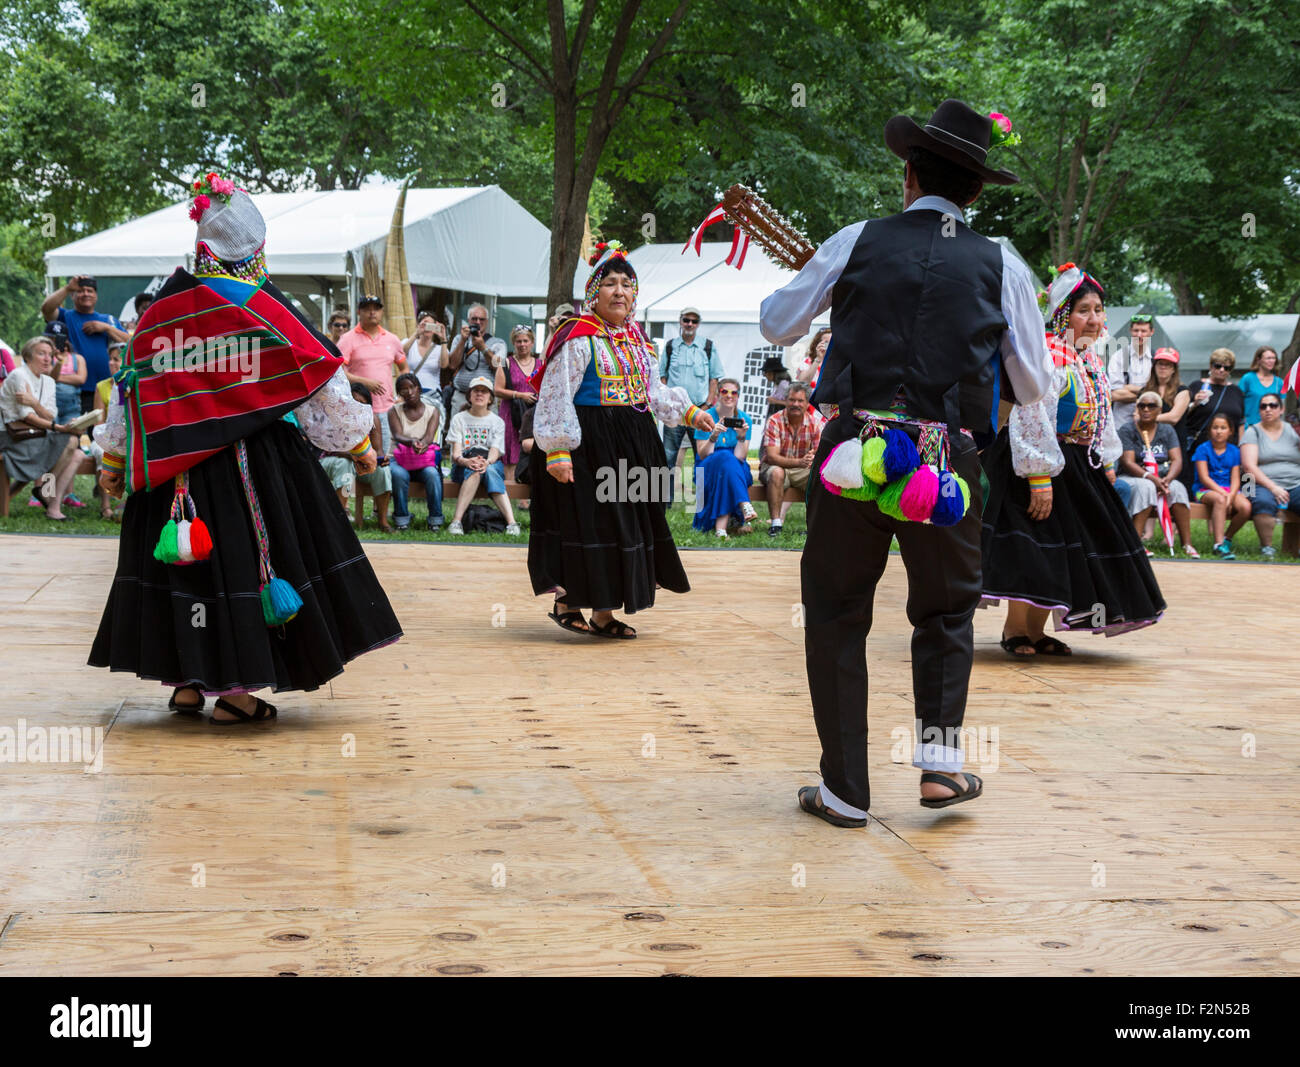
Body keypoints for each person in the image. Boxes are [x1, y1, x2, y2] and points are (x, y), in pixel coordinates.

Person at [761, 100, 1054, 824]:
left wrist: (839, 295)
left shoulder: (858, 239)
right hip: (946, 458)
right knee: (947, 609)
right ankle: (940, 769)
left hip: (852, 449)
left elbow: (775, 321)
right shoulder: (1002, 262)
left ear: (908, 173)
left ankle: (844, 791)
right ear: (977, 192)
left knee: (834, 609)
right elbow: (1035, 384)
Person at [90, 173, 401, 723]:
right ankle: (235, 695)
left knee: (183, 567)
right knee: (241, 564)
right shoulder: (267, 309)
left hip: (172, 470)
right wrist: (358, 443)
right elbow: (320, 381)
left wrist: (114, 459)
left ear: (202, 249)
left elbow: (130, 388)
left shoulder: (163, 310)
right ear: (255, 252)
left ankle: (188, 682)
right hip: (252, 463)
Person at [530, 240, 714, 637]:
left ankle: (603, 612)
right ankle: (567, 601)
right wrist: (559, 448)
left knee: (627, 525)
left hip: (634, 442)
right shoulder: (577, 337)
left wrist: (691, 413)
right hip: (590, 444)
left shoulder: (639, 341)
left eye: (627, 285)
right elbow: (556, 393)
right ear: (594, 294)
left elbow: (654, 392)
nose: (620, 291)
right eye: (610, 283)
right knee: (592, 524)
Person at [983, 267, 1166, 658]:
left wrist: (1108, 460)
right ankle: (1016, 629)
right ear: (1064, 315)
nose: (1096, 319)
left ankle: (1037, 630)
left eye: (1099, 310)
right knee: (1034, 546)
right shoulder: (1047, 354)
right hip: (1037, 461)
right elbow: (1029, 413)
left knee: (1063, 550)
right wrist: (1038, 475)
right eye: (1085, 310)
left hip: (1079, 465)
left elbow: (1099, 414)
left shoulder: (1088, 360)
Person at [0, 335, 81, 520]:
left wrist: (34, 404)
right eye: (41, 354)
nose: (47, 358)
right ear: (28, 357)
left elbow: (50, 414)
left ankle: (53, 506)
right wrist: (59, 428)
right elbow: (26, 416)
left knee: (78, 454)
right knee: (71, 440)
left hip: (35, 435)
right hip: (11, 438)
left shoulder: (49, 381)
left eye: (49, 354)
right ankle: (45, 491)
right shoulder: (18, 376)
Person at [1117, 390, 1196, 555]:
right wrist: (1152, 479)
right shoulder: (1127, 429)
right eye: (1142, 406)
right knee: (1146, 487)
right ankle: (1137, 543)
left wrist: (1167, 479)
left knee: (1178, 488)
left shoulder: (1167, 430)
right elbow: (1128, 462)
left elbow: (1177, 460)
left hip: (1163, 477)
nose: (1146, 409)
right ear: (1137, 409)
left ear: (1160, 410)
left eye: (1151, 406)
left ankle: (1187, 544)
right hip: (1134, 477)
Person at [660, 306, 724, 507]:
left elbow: (714, 378)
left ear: (698, 324)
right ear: (680, 321)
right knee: (668, 456)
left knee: (703, 457)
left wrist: (707, 405)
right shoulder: (670, 346)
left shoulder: (707, 346)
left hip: (700, 411)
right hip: (675, 413)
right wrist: (665, 405)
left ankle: (702, 500)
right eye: (686, 320)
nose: (689, 324)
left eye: (694, 321)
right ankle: (665, 501)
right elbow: (661, 378)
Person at [41, 274, 128, 413]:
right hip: (75, 391)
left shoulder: (107, 320)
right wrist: (68, 288)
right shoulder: (65, 316)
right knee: (75, 431)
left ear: (96, 295)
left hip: (106, 387)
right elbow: (46, 309)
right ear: (72, 296)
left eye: (90, 291)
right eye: (80, 291)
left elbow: (130, 342)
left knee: (101, 432)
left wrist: (106, 328)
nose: (85, 294)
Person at [446, 375, 518, 536]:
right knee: (475, 470)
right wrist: (466, 461)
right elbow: (456, 453)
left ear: (491, 398)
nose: (479, 394)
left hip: (489, 461)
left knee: (489, 470)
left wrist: (486, 462)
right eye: (476, 391)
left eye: (484, 392)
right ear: (469, 395)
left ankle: (512, 523)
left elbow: (495, 450)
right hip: (463, 463)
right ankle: (456, 522)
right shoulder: (459, 419)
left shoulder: (497, 421)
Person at [319, 381, 393, 530]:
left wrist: (381, 459)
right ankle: (340, 518)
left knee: (383, 471)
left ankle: (383, 521)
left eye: (362, 403)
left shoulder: (373, 420)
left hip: (363, 463)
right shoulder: (336, 417)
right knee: (344, 467)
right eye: (353, 401)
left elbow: (377, 451)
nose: (357, 406)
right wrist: (356, 456)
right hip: (334, 460)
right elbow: (332, 449)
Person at [692, 377, 759, 536]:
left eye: (734, 392)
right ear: (718, 393)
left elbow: (740, 456)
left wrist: (741, 436)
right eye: (725, 391)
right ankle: (743, 505)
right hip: (708, 462)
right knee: (724, 456)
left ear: (738, 395)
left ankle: (720, 530)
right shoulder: (705, 416)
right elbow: (703, 454)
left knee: (728, 463)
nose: (729, 395)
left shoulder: (744, 419)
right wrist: (714, 435)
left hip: (734, 464)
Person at [337, 295, 407, 445]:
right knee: (358, 454)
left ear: (382, 312)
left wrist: (402, 394)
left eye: (376, 309)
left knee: (383, 456)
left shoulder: (392, 339)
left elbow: (404, 368)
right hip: (357, 407)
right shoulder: (347, 339)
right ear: (358, 312)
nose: (372, 312)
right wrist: (364, 382)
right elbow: (337, 372)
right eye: (367, 309)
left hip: (386, 408)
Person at [758, 381, 824, 536]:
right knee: (777, 473)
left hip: (801, 471)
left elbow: (818, 453)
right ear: (785, 401)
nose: (796, 404)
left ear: (807, 403)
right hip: (775, 468)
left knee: (819, 475)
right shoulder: (774, 420)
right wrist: (800, 462)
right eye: (792, 400)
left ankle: (813, 527)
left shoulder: (814, 423)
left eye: (800, 401)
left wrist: (811, 457)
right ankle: (776, 524)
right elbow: (772, 457)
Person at [1240, 392, 1300, 557]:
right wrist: (1274, 488)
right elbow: (1249, 467)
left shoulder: (1294, 430)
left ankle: (1296, 548)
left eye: (1273, 405)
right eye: (1263, 406)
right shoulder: (1253, 431)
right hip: (1261, 483)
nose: (1268, 409)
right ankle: (1267, 548)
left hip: (1296, 482)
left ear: (1281, 409)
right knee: (1262, 501)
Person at [388, 372, 443, 531]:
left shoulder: (433, 411)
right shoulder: (394, 411)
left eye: (412, 387)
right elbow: (398, 435)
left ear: (419, 388)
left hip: (422, 459)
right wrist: (412, 442)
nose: (409, 392)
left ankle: (435, 519)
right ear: (399, 393)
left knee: (432, 474)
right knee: (399, 474)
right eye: (404, 390)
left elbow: (429, 437)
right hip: (398, 458)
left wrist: (422, 445)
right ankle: (402, 519)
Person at [1192, 412, 1251, 558]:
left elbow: (1236, 479)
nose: (1219, 431)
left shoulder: (1234, 451)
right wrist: (1224, 495)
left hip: (1228, 489)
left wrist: (1230, 495)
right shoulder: (1202, 449)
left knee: (1246, 507)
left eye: (1223, 428)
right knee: (1219, 499)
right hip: (1205, 489)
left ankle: (1227, 538)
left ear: (1230, 431)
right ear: (1210, 430)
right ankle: (1218, 545)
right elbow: (1204, 478)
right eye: (1215, 427)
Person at [494, 324, 539, 481]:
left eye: (526, 341)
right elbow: (497, 390)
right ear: (514, 343)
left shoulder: (540, 364)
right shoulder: (506, 363)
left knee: (530, 448)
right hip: (511, 413)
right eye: (518, 341)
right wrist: (519, 395)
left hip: (533, 414)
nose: (522, 345)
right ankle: (509, 488)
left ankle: (526, 493)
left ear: (532, 342)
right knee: (511, 449)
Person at [447, 303, 506, 419]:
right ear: (468, 320)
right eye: (474, 319)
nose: (478, 322)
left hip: (487, 398)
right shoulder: (459, 339)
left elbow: (499, 366)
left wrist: (483, 348)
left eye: (481, 319)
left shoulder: (498, 343)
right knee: (458, 433)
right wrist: (463, 341)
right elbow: (452, 365)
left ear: (487, 321)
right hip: (462, 396)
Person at [1185, 348, 1245, 453]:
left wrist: (1241, 448)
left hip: (1229, 450)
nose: (1222, 370)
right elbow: (1183, 415)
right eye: (1218, 366)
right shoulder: (1197, 386)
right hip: (1199, 447)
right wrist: (1194, 404)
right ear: (1210, 366)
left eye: (1226, 368)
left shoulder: (1236, 391)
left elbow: (1241, 423)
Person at [1108, 312, 1155, 429]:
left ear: (1151, 332)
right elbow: (1114, 394)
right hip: (1122, 423)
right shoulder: (1118, 357)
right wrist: (1146, 394)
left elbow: (1160, 392)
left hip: (1149, 424)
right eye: (1136, 331)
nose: (1139, 335)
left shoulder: (1155, 359)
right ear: (1130, 331)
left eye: (1143, 331)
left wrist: (1130, 388)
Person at [406, 312, 450, 402]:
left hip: (432, 393)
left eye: (431, 325)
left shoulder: (440, 348)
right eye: (424, 324)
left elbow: (444, 365)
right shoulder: (409, 343)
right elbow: (400, 353)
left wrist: (443, 340)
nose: (427, 327)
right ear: (418, 325)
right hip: (411, 392)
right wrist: (416, 334)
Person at [1239, 346, 1285, 428]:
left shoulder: (1279, 382)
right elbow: (1238, 403)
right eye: (1268, 358)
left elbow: (1281, 408)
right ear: (1258, 360)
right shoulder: (1248, 379)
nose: (1271, 361)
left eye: (1273, 358)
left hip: (1271, 428)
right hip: (1250, 426)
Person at [761, 354, 794, 420]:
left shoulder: (784, 384)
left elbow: (792, 403)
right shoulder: (777, 383)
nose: (765, 376)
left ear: (771, 373)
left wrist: (775, 401)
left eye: (765, 373)